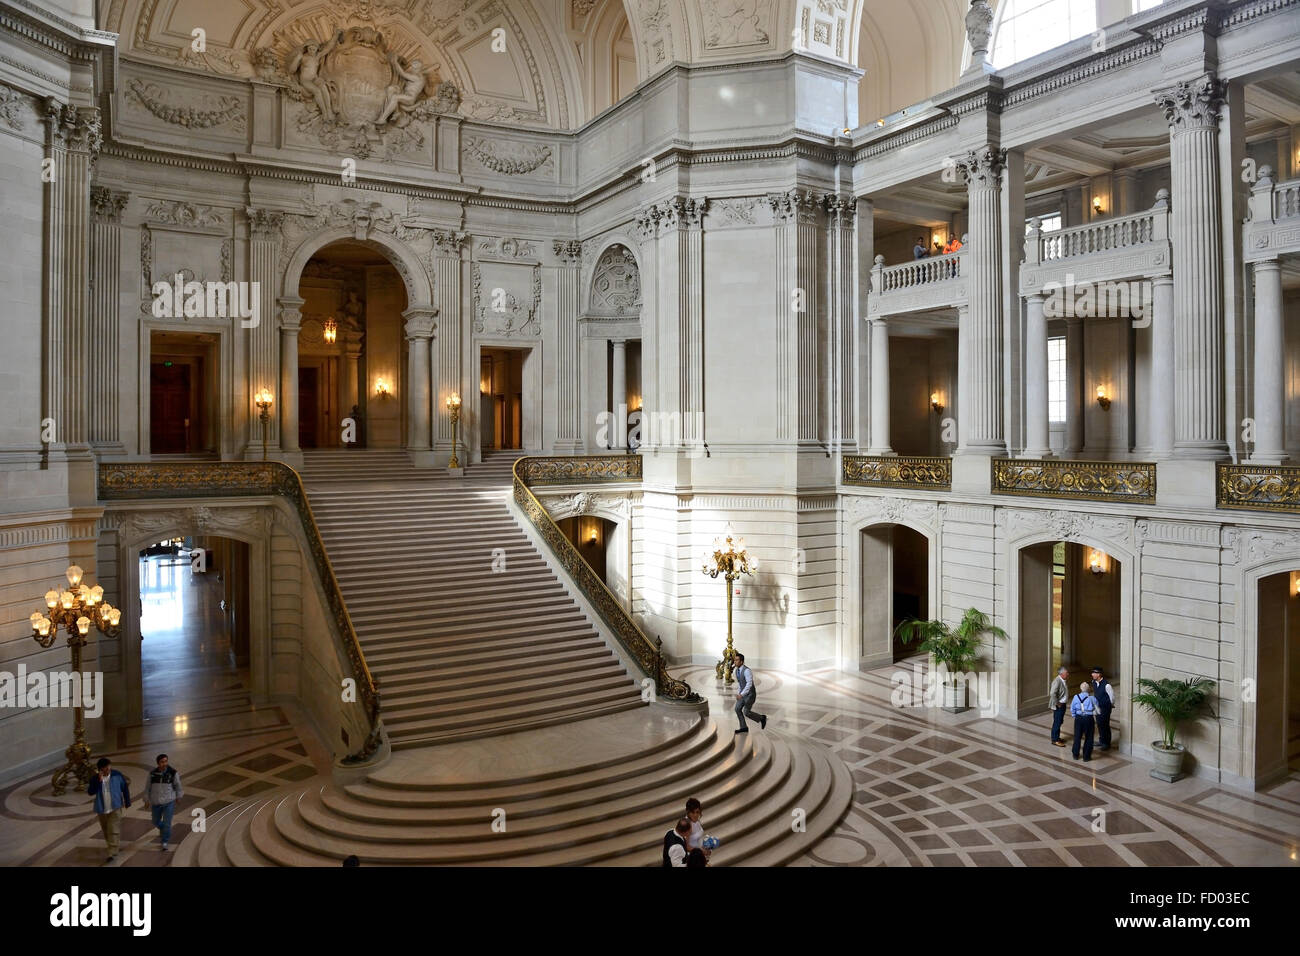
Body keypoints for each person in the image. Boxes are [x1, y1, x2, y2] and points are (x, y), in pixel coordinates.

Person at [87, 757, 131, 862]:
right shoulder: (95, 778)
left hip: (115, 806)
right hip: (102, 808)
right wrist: (99, 781)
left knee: (113, 829)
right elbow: (90, 792)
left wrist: (127, 801)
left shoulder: (117, 775)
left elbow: (124, 787)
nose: (108, 769)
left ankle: (111, 852)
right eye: (105, 768)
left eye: (108, 766)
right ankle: (112, 846)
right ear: (100, 769)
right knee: (106, 830)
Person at [142, 753, 183, 851]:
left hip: (169, 802)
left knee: (167, 823)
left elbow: (178, 786)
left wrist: (178, 796)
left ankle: (164, 841)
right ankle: (163, 829)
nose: (164, 764)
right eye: (162, 762)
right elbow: (147, 788)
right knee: (155, 821)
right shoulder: (152, 774)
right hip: (156, 802)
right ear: (158, 763)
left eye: (166, 761)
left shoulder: (173, 773)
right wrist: (146, 800)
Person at [733, 652, 767, 735]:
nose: (735, 662)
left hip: (750, 695)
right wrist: (739, 693)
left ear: (742, 662)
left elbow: (749, 684)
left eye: (737, 660)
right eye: (735, 660)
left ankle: (762, 718)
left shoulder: (747, 671)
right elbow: (741, 683)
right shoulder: (737, 670)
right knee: (737, 709)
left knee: (746, 712)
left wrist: (742, 694)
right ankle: (743, 727)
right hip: (743, 694)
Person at [1070, 681, 1098, 762]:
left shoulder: (1076, 697)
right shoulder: (1092, 698)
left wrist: (1075, 716)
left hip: (1079, 718)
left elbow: (1072, 708)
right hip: (1088, 718)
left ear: (1080, 688)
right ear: (1088, 689)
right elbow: (1097, 707)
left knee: (1077, 736)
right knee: (1089, 737)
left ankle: (1075, 754)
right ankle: (1086, 756)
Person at [1091, 667, 1115, 750]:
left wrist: (1109, 706)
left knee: (1105, 725)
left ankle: (1106, 743)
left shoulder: (1107, 685)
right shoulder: (1093, 682)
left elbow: (1112, 698)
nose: (1092, 674)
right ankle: (1101, 741)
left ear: (1099, 674)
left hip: (1105, 708)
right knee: (1099, 724)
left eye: (1094, 673)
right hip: (1097, 708)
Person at [1048, 666, 1069, 747]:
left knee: (1059, 721)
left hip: (1062, 704)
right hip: (1058, 706)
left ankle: (1056, 737)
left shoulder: (1062, 680)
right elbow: (1052, 693)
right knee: (1057, 722)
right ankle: (1055, 740)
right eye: (1066, 673)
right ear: (1062, 674)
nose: (1068, 674)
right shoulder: (1057, 681)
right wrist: (1057, 703)